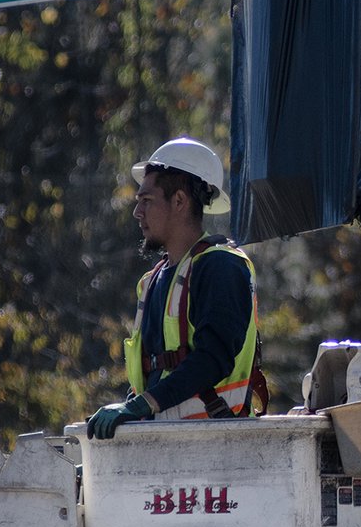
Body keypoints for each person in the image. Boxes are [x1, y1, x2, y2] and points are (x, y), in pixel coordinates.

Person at [86, 137, 263, 440]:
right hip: (164, 442)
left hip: (216, 445)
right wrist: (130, 409)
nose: (137, 212)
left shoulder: (221, 267)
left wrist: (141, 405)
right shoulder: (152, 281)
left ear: (180, 201)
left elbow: (213, 358)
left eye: (147, 200)